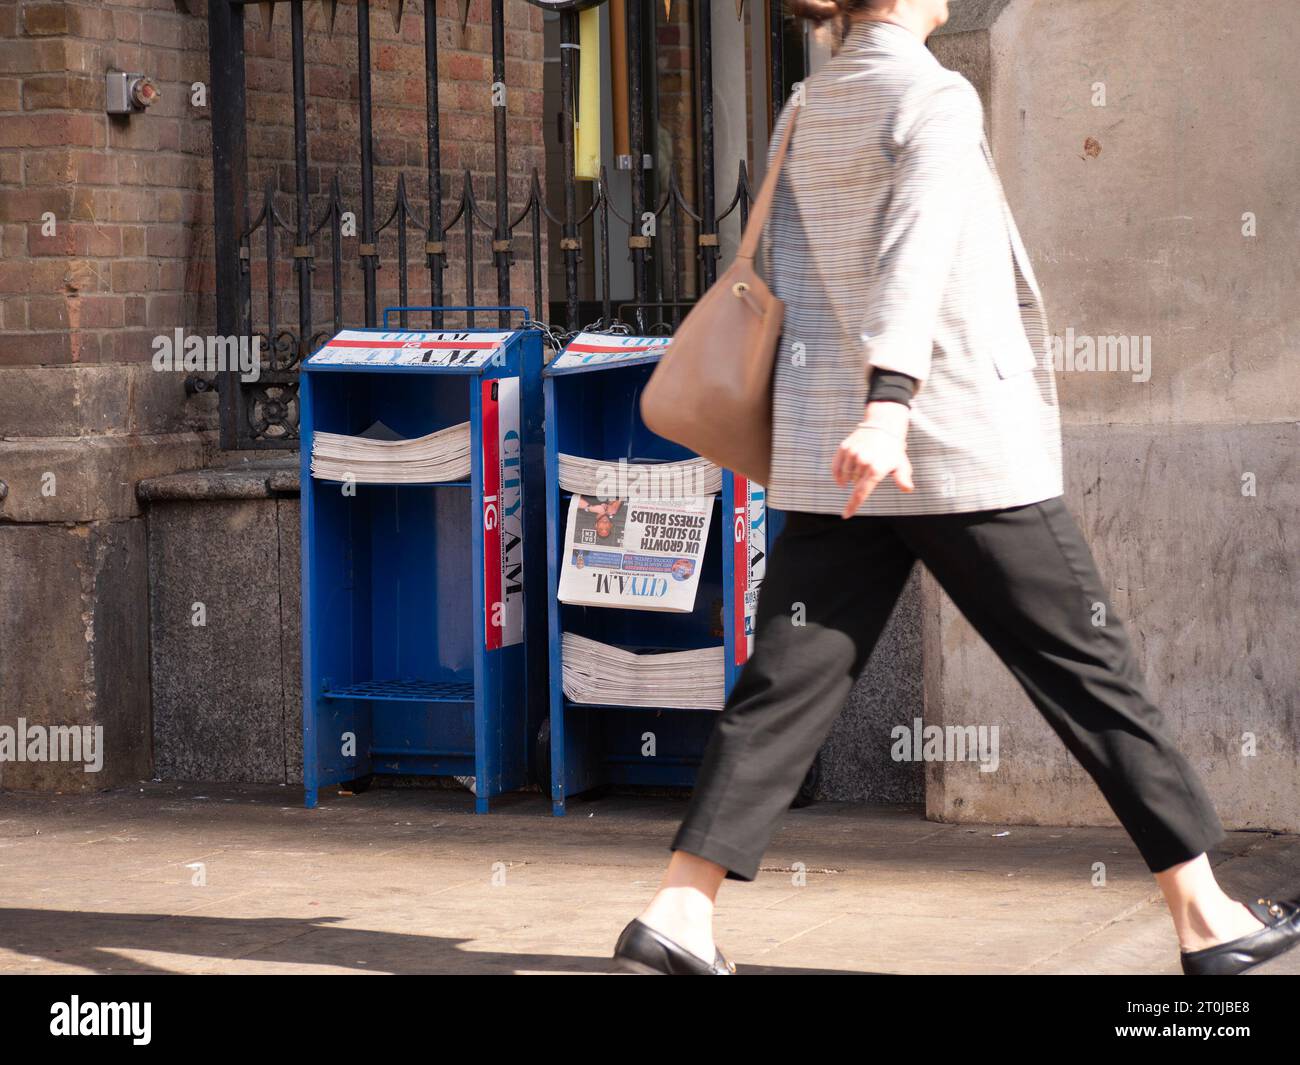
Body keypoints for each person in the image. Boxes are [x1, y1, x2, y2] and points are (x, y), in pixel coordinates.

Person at [612, 0, 1299, 976]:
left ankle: (677, 912)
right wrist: (889, 402)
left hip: (830, 460)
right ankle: (1205, 915)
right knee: (1087, 669)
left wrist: (855, 413)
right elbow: (915, 260)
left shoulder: (809, 102)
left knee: (783, 689)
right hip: (949, 450)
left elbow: (809, 270)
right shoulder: (931, 97)